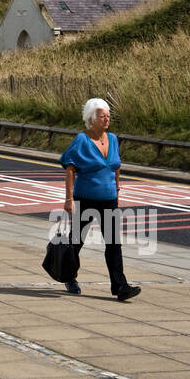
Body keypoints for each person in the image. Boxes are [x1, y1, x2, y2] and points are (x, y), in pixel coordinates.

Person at [57, 97, 140, 302]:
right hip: (85, 198)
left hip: (108, 199)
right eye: (102, 116)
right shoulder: (82, 140)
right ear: (91, 118)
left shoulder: (112, 138)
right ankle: (69, 277)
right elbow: (70, 168)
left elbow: (116, 166)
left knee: (113, 243)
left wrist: (117, 190)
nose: (107, 119)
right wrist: (68, 199)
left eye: (108, 116)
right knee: (76, 241)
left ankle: (120, 286)